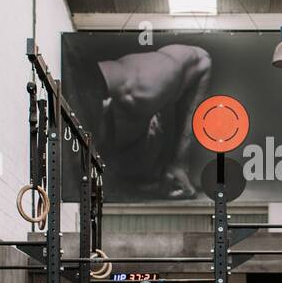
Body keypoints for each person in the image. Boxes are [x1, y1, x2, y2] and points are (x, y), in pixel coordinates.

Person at [74, 44, 213, 199]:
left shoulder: (148, 89)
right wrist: (178, 165)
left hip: (100, 85)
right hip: (105, 85)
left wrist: (177, 166)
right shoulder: (154, 83)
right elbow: (190, 118)